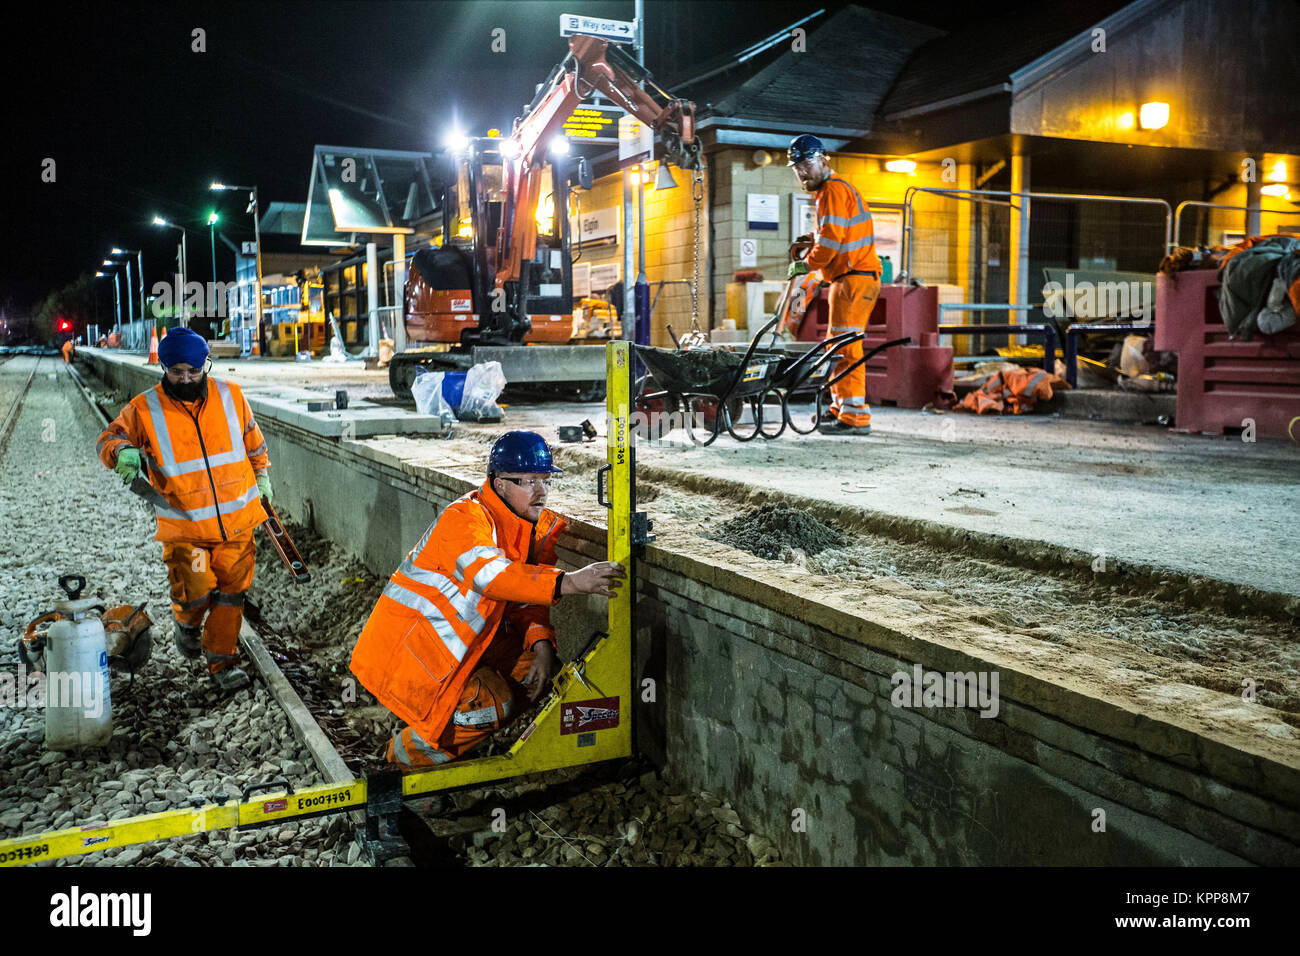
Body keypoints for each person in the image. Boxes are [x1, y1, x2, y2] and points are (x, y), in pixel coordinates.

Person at [350, 430, 626, 769]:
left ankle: (448, 738)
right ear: (498, 484)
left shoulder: (528, 528)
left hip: (462, 647)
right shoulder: (465, 518)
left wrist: (541, 644)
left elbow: (524, 596)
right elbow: (491, 577)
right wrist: (569, 583)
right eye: (527, 481)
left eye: (545, 480)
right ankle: (402, 761)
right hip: (415, 654)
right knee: (490, 705)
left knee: (536, 672)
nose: (540, 491)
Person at [95, 327, 273, 692]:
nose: (187, 378)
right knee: (194, 591)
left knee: (231, 594)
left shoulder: (232, 396)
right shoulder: (145, 408)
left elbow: (254, 443)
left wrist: (263, 478)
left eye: (194, 370)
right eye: (177, 372)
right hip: (186, 527)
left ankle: (222, 662)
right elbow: (109, 438)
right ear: (163, 367)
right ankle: (187, 624)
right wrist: (121, 452)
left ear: (205, 364)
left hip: (237, 524)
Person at [787, 133, 883, 434]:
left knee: (845, 349)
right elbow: (832, 239)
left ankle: (854, 418)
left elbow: (831, 242)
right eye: (797, 167)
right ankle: (841, 410)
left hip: (853, 280)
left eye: (806, 164)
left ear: (822, 160)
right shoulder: (832, 192)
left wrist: (805, 265)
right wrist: (813, 245)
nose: (802, 172)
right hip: (850, 280)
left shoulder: (833, 190)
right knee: (838, 348)